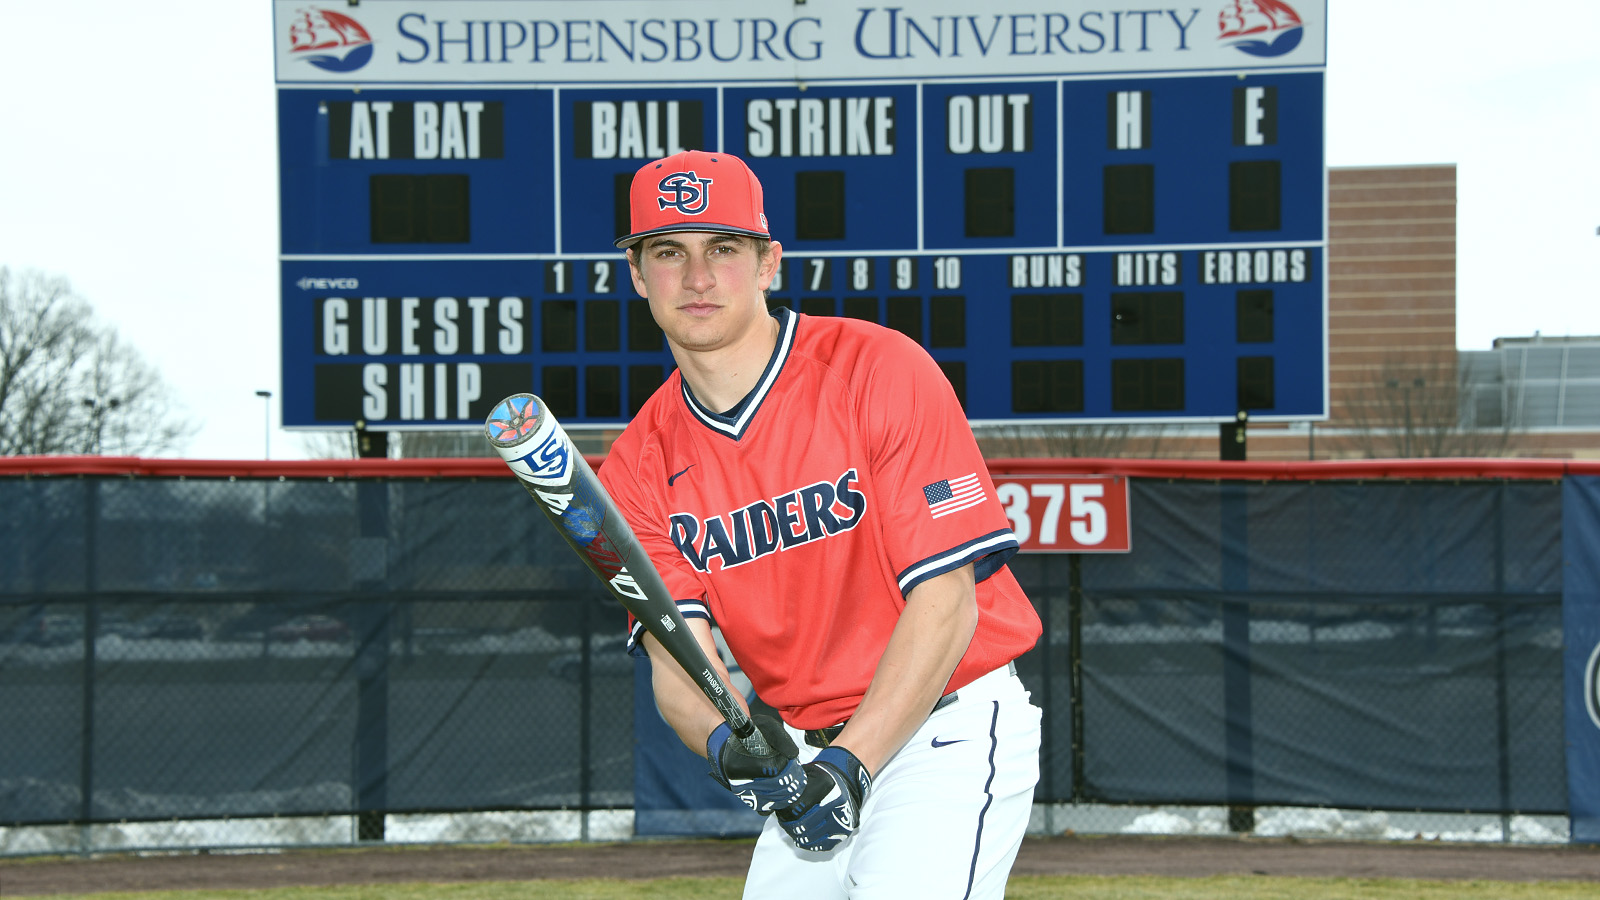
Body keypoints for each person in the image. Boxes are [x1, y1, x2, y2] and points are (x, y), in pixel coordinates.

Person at [598, 149, 1043, 899]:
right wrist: (727, 744)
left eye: (724, 249)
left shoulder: (878, 369)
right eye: (669, 253)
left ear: (768, 263)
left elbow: (947, 604)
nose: (698, 277)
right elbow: (680, 668)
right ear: (639, 276)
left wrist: (852, 766)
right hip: (807, 754)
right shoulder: (638, 465)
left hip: (944, 731)